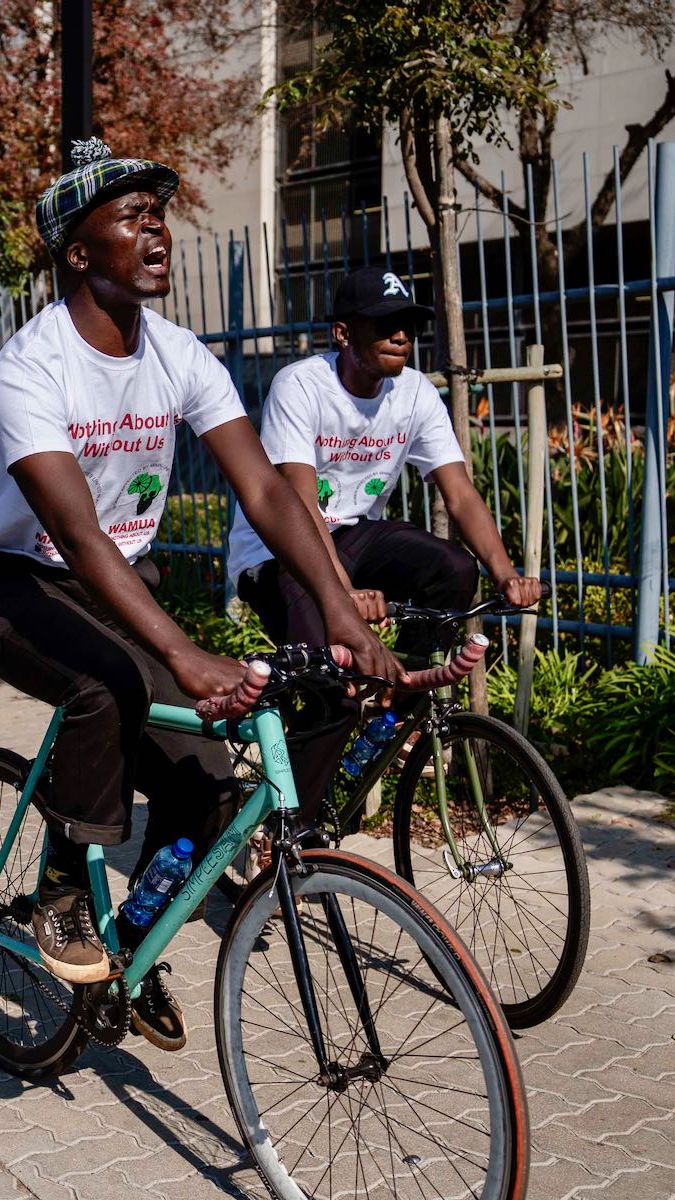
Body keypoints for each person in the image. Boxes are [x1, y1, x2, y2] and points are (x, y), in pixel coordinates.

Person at [0, 139, 401, 1047]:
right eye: (131, 216)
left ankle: (136, 942)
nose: (156, 228)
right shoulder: (29, 369)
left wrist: (344, 614)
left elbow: (269, 491)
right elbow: (77, 537)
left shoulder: (180, 354)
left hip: (121, 586)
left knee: (201, 781)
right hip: (17, 583)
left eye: (160, 213)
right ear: (79, 252)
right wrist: (184, 656)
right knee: (106, 686)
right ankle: (66, 887)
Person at [225, 266, 543, 813]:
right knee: (334, 691)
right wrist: (342, 593)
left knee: (454, 569)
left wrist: (505, 572)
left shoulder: (414, 392)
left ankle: (399, 696)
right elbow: (299, 507)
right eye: (386, 324)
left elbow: (459, 493)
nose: (402, 336)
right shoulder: (301, 385)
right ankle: (286, 827)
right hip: (281, 555)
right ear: (344, 334)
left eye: (409, 326)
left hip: (356, 539)